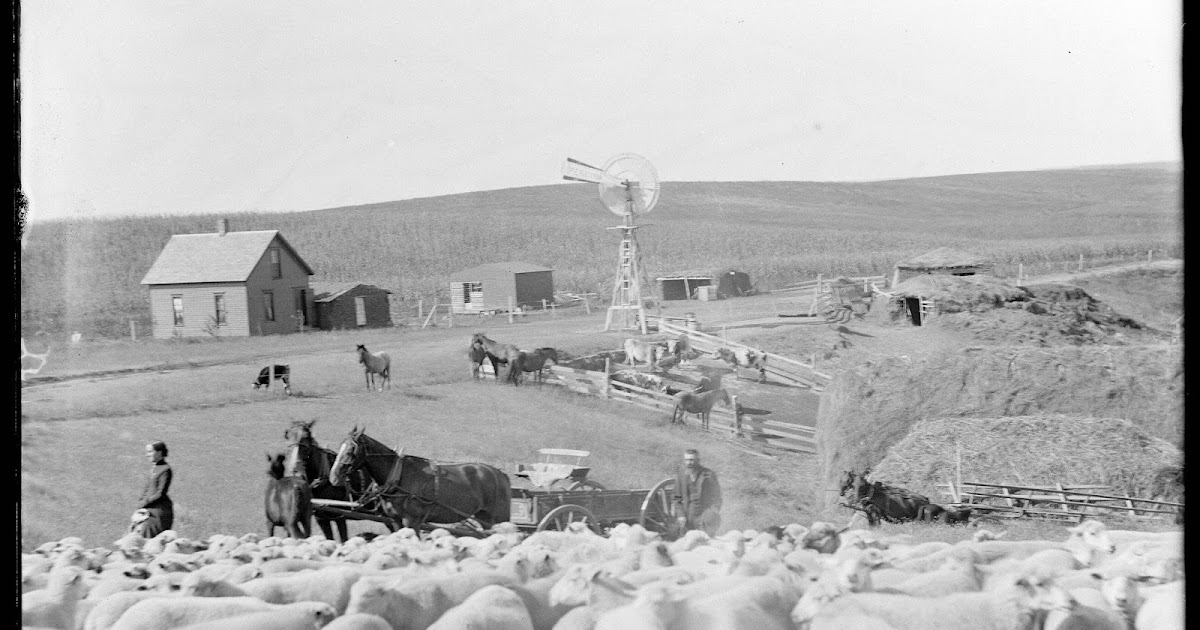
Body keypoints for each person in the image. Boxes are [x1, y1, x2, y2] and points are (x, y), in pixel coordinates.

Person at [672, 448, 722, 536]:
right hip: (688, 515)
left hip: (704, 515)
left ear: (698, 460)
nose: (689, 463)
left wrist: (712, 513)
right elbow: (676, 498)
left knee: (706, 541)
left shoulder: (708, 474)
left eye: (692, 460)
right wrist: (681, 515)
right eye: (686, 460)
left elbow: (717, 497)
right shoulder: (681, 475)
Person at [135, 441, 174, 538]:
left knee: (146, 532)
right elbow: (147, 489)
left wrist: (145, 502)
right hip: (147, 508)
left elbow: (160, 493)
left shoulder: (165, 469)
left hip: (158, 511)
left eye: (150, 452)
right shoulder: (153, 469)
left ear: (159, 453)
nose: (147, 455)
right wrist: (140, 502)